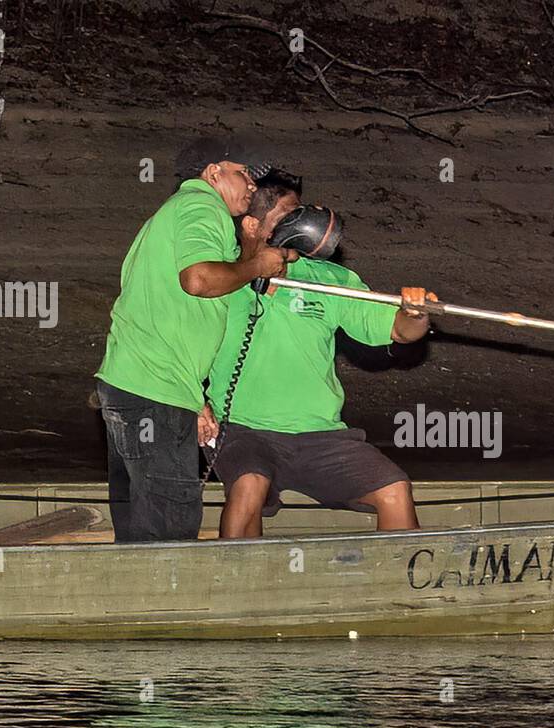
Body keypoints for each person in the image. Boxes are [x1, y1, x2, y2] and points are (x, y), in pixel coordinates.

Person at [200, 170, 435, 538]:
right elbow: (172, 342)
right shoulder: (219, 275)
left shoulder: (328, 278)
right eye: (288, 215)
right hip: (244, 430)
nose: (302, 222)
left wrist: (416, 314)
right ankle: (236, 587)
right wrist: (194, 402)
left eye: (302, 211)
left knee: (395, 490)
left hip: (320, 435)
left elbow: (397, 331)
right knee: (249, 486)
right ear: (251, 225)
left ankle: (399, 591)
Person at [94, 136, 296, 542]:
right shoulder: (202, 206)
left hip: (139, 385)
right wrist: (256, 264)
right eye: (244, 175)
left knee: (139, 525)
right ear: (212, 173)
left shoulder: (172, 216)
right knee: (170, 526)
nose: (252, 185)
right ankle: (166, 604)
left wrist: (194, 398)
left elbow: (164, 312)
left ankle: (133, 603)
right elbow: (198, 280)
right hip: (152, 392)